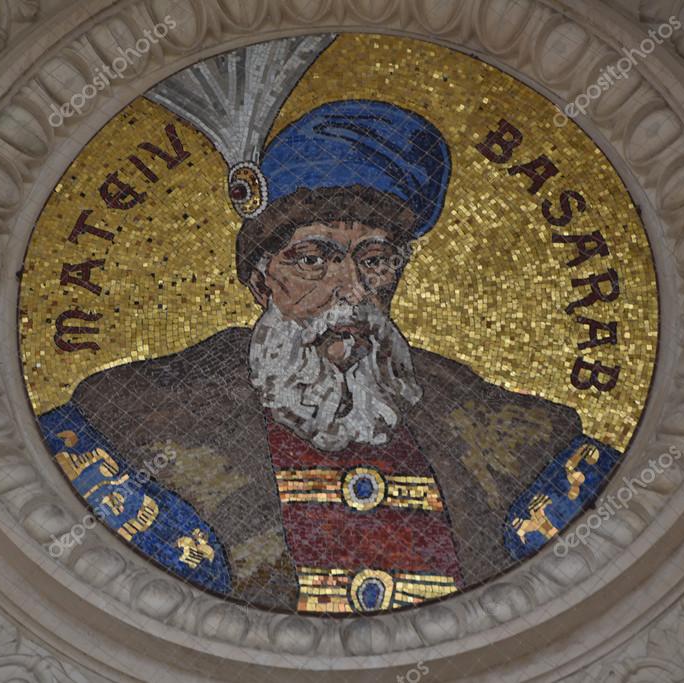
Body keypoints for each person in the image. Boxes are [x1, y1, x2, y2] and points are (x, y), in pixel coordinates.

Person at [38, 100, 620, 613]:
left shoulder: (508, 433)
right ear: (261, 282)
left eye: (374, 260)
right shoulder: (130, 420)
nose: (351, 290)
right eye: (313, 259)